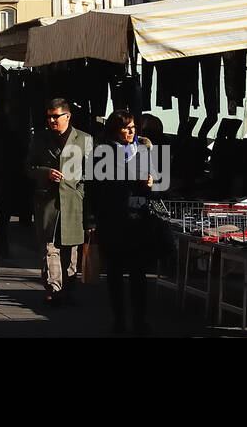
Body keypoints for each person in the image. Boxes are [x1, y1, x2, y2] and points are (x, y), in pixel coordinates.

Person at [91, 109, 156, 335]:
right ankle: (119, 319)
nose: (131, 131)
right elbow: (96, 185)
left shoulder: (144, 149)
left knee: (139, 274)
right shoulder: (102, 151)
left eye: (133, 127)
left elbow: (157, 180)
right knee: (116, 274)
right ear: (114, 130)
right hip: (113, 220)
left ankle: (140, 319)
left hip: (138, 220)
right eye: (125, 127)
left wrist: (150, 183)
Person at [26, 98, 93, 306]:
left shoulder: (84, 139)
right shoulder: (39, 138)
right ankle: (53, 289)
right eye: (49, 116)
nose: (52, 120)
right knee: (49, 247)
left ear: (67, 116)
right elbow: (28, 167)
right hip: (48, 202)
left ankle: (70, 288)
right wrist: (45, 173)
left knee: (71, 248)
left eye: (56, 116)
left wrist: (82, 196)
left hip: (73, 202)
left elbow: (90, 175)